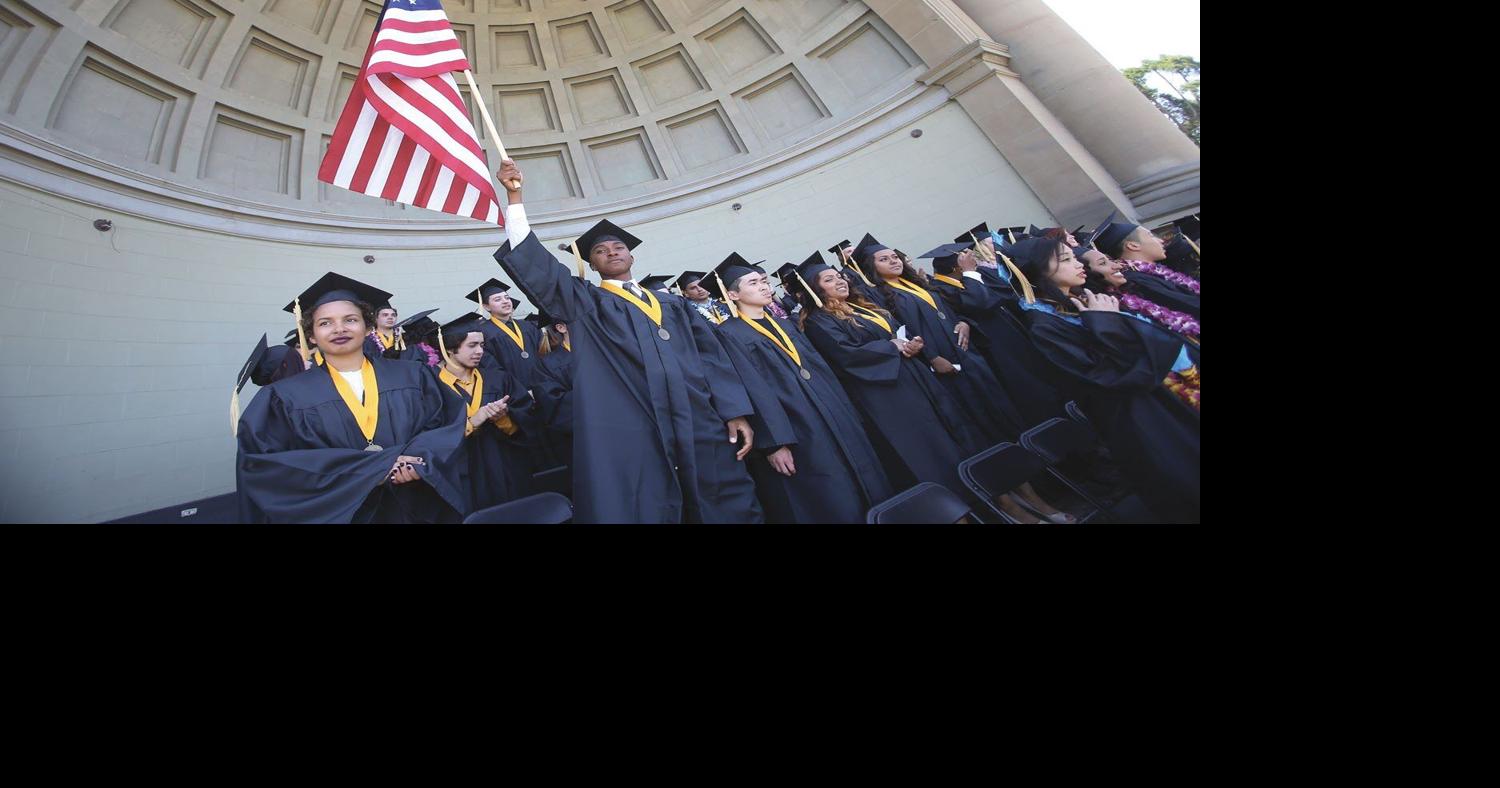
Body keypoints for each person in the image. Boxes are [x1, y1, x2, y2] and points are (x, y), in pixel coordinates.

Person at [490, 157, 763, 524]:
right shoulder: (587, 304)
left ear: (631, 254)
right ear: (591, 265)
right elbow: (541, 270)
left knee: (725, 499)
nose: (612, 252)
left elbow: (711, 359)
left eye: (618, 247)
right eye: (601, 251)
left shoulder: (673, 304)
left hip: (700, 420)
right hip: (637, 427)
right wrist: (515, 198)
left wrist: (733, 410)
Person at [235, 273, 468, 523]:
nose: (339, 329)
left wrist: (419, 460)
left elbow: (445, 423)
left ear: (368, 327)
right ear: (311, 335)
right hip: (341, 513)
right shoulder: (283, 396)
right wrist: (375, 468)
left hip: (416, 504)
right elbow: (269, 464)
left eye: (351, 320)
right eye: (325, 323)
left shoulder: (414, 374)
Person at [1009, 236, 1200, 523]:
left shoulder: (1079, 301)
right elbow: (1109, 375)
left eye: (1074, 256)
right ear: (1037, 272)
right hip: (1140, 416)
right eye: (1065, 259)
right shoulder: (1045, 326)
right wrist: (1107, 322)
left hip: (1163, 398)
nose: (1078, 263)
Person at [701, 254, 892, 523]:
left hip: (830, 413)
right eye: (753, 283)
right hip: (796, 427)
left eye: (763, 281)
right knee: (830, 493)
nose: (764, 286)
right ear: (732, 295)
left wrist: (846, 411)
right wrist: (775, 443)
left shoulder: (785, 324)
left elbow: (822, 370)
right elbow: (753, 390)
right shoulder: (729, 334)